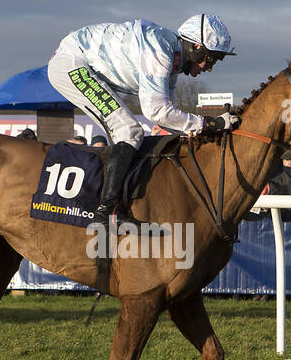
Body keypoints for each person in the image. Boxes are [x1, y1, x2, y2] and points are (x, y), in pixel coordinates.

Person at [46, 13, 238, 219]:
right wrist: (208, 123)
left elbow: (166, 116)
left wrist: (200, 127)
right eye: (210, 59)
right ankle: (107, 212)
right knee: (128, 130)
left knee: (128, 132)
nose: (208, 68)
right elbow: (155, 110)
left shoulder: (171, 58)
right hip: (72, 64)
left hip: (79, 58)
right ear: (195, 47)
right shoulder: (161, 53)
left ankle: (113, 205)